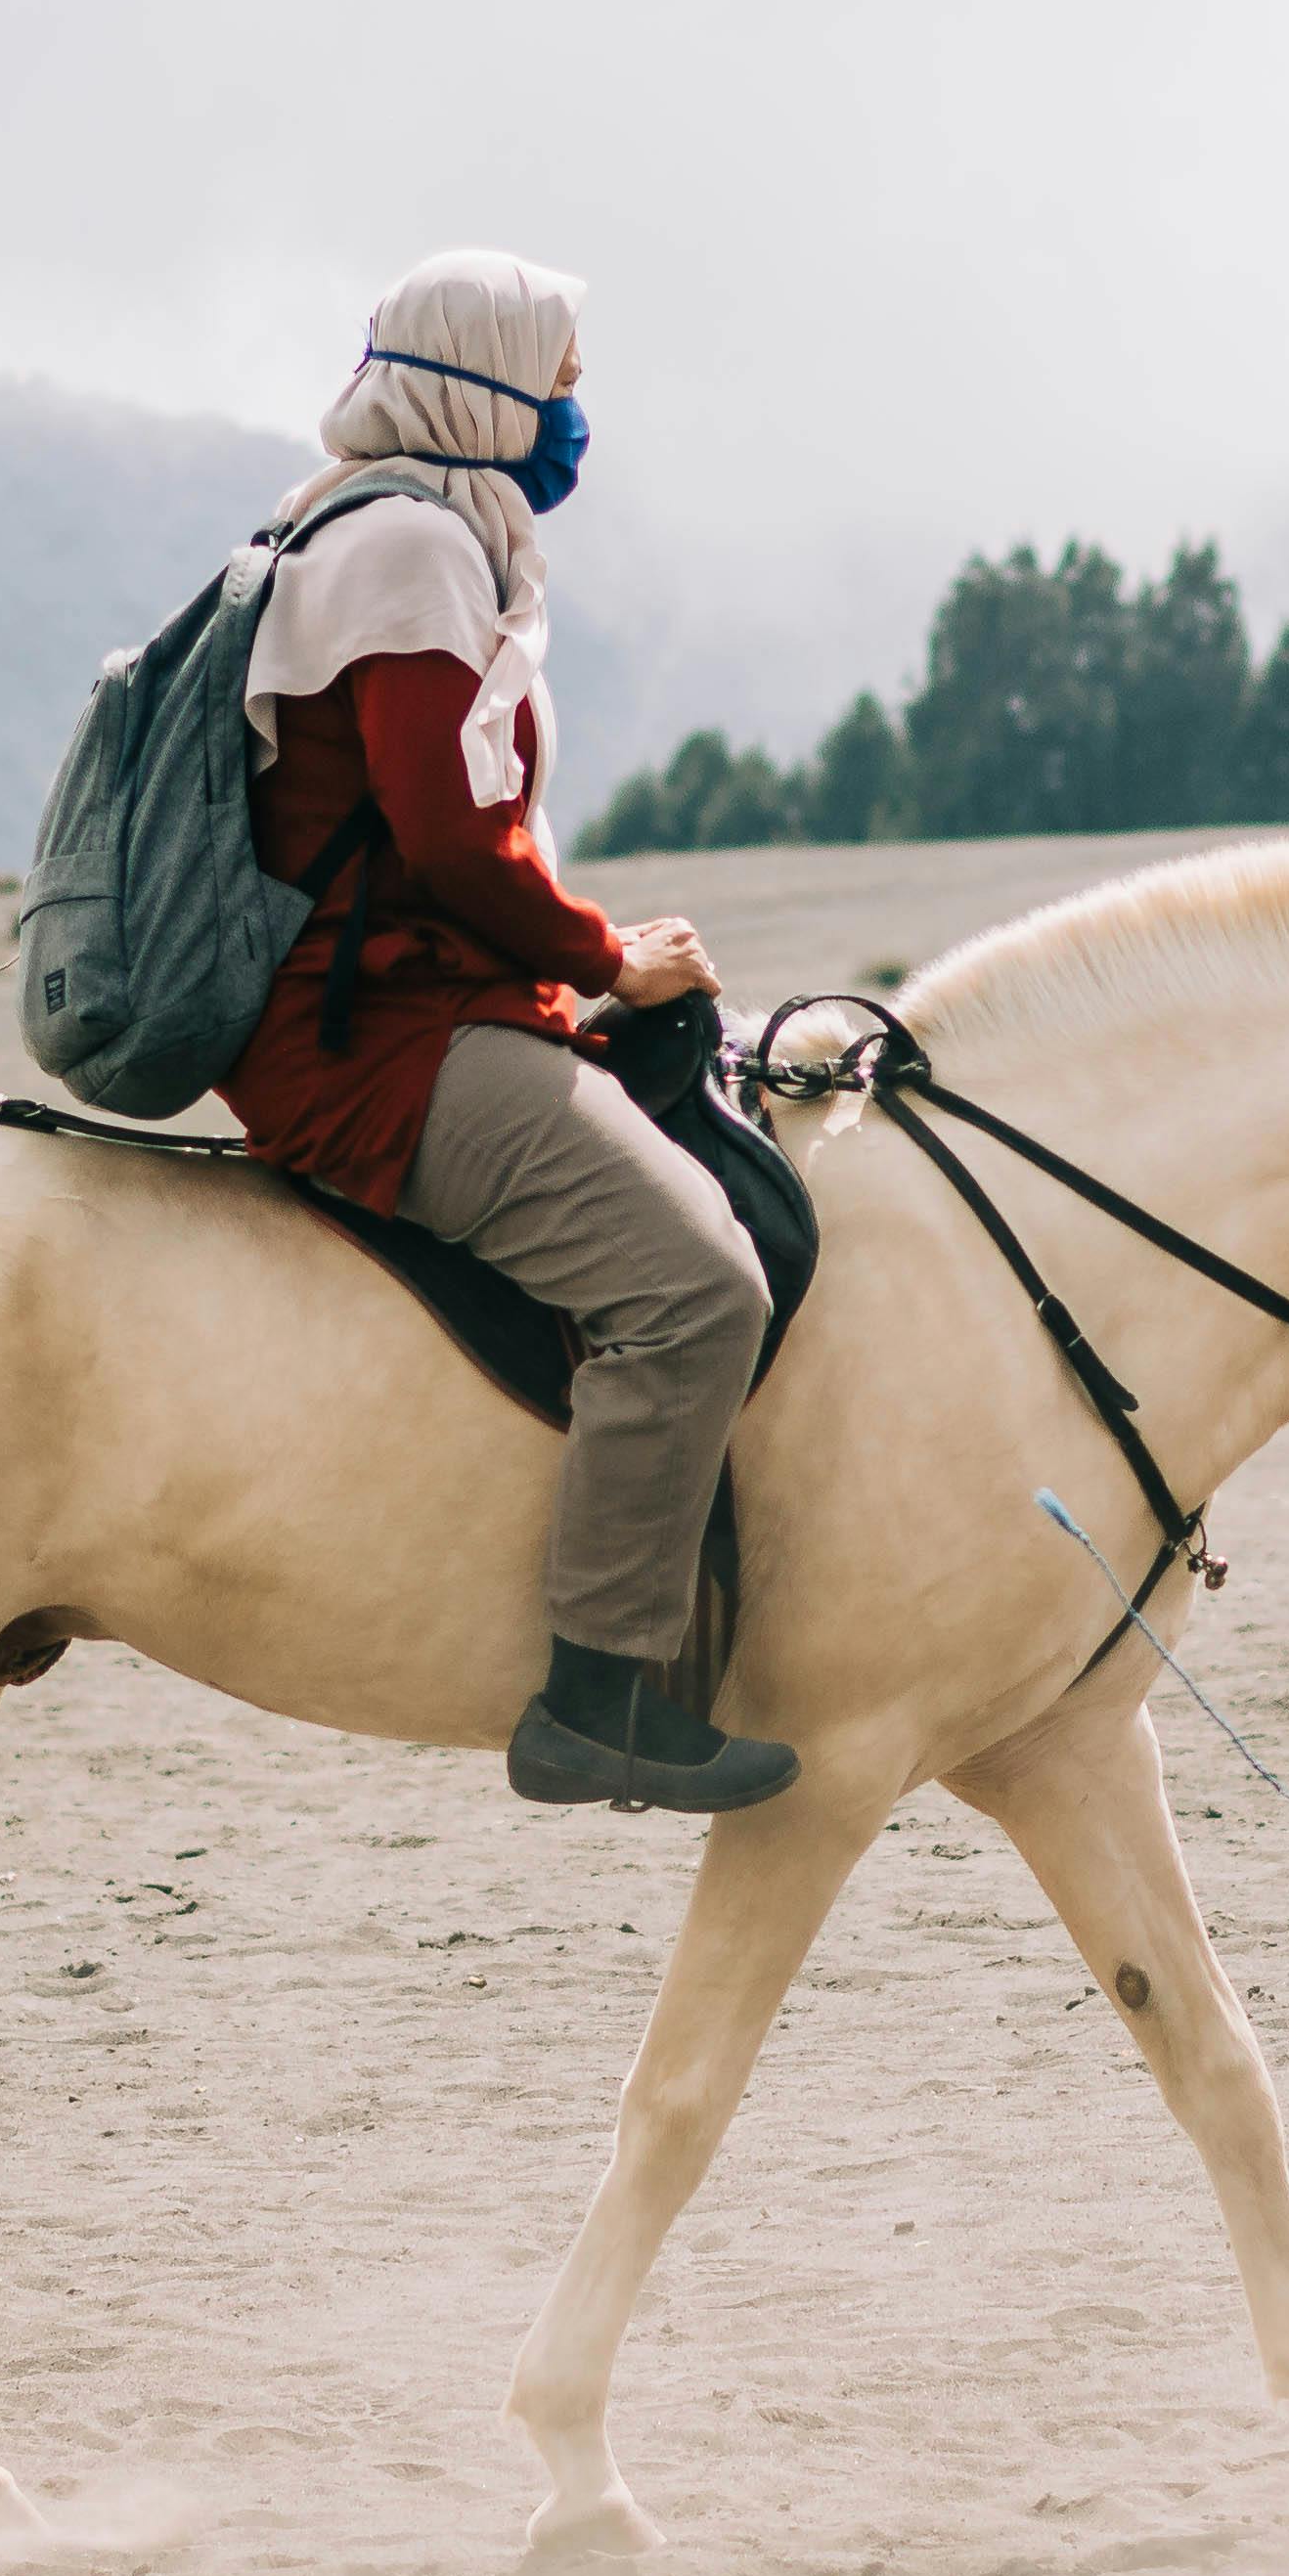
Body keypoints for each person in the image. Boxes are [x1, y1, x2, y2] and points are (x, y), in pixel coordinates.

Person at [220, 248, 800, 1819]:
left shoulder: (361, 522)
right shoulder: (410, 549)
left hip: (415, 1002)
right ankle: (596, 1697)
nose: (572, 409)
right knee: (694, 1290)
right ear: (477, 386)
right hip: (379, 1043)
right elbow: (450, 839)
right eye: (556, 380)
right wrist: (610, 959)